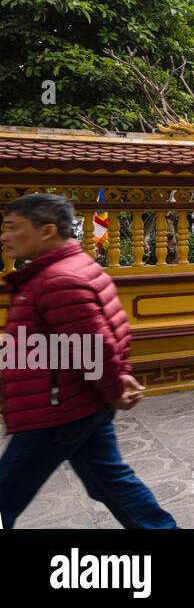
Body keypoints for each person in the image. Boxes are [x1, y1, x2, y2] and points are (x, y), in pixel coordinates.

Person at [0, 193, 176, 529]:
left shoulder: (57, 279)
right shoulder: (70, 268)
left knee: (5, 495)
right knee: (111, 484)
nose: (4, 236)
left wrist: (113, 390)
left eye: (12, 227)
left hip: (55, 408)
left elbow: (92, 345)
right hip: (75, 401)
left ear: (47, 230)